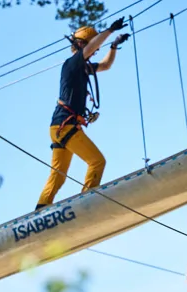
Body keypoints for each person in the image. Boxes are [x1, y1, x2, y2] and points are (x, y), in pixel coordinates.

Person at [35, 18, 130, 210]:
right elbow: (92, 47)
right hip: (65, 125)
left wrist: (113, 46)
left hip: (59, 127)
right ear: (80, 45)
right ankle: (86, 202)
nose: (96, 50)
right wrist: (110, 30)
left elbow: (105, 65)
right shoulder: (72, 63)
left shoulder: (83, 68)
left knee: (58, 175)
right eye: (92, 46)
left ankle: (41, 210)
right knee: (97, 161)